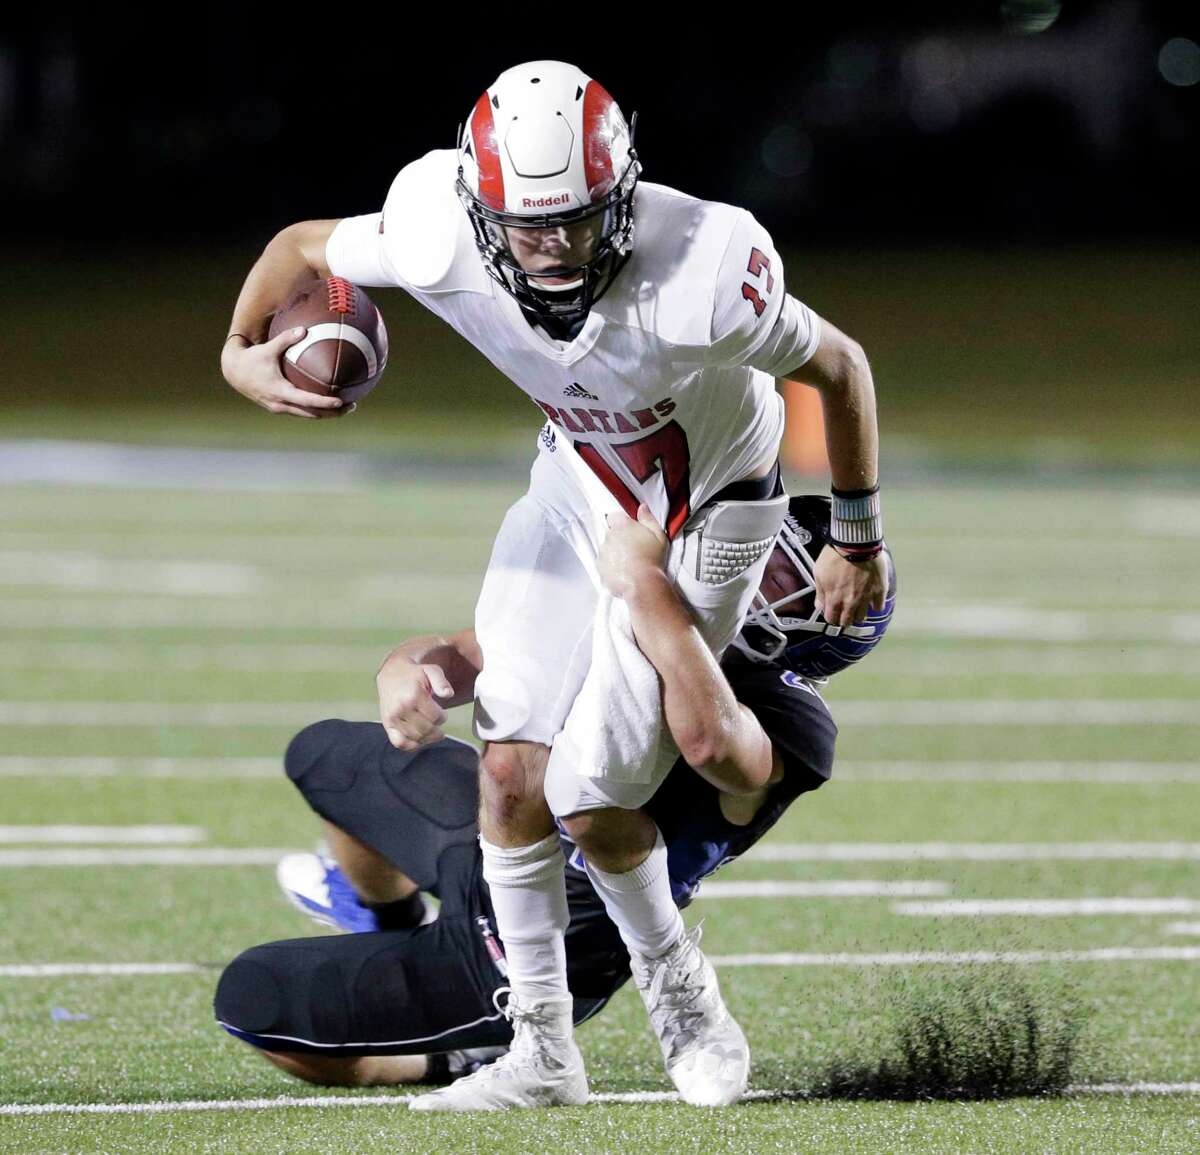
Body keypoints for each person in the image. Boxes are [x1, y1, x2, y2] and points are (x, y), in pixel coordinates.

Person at [219, 61, 888, 1110]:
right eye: (531, 227)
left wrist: (855, 531)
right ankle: (539, 1055)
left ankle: (680, 987)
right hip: (581, 476)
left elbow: (840, 366)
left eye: (579, 221)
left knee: (588, 795)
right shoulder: (435, 225)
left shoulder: (705, 269)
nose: (556, 247)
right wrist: (234, 356)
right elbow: (302, 245)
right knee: (507, 774)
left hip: (710, 510)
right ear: (480, 208)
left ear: (621, 194)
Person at [214, 498, 895, 1092]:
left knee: (258, 1003)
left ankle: (454, 1054)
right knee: (329, 756)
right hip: (498, 833)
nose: (746, 581)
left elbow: (711, 743)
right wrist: (404, 671)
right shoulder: (650, 599)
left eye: (778, 578)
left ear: (823, 632)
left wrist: (642, 585)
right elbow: (467, 649)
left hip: (541, 944)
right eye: (755, 555)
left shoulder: (791, 726)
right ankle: (386, 925)